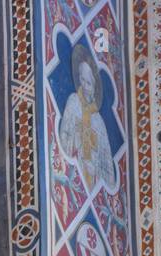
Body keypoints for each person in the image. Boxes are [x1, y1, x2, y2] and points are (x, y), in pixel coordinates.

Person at [57, 43, 117, 193]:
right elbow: (63, 136)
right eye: (82, 80)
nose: (84, 86)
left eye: (88, 83)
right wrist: (76, 150)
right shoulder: (73, 101)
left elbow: (107, 166)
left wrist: (94, 168)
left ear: (95, 86)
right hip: (73, 175)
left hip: (92, 181)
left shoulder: (99, 122)